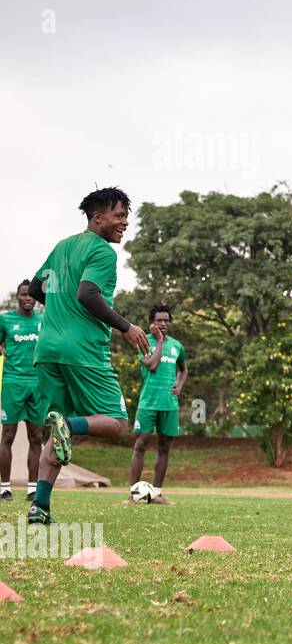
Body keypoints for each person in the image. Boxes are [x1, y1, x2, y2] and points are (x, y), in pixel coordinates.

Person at [24, 187, 149, 524]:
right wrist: (126, 326)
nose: (124, 223)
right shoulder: (103, 253)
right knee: (115, 421)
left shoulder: (63, 246)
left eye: (126, 216)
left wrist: (60, 311)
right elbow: (88, 294)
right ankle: (70, 424)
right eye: (118, 216)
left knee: (55, 434)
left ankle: (40, 507)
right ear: (98, 217)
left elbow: (36, 289)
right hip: (83, 351)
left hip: (47, 349)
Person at [129, 304, 187, 494]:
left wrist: (179, 385)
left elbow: (183, 369)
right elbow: (152, 365)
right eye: (159, 320)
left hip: (169, 404)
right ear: (151, 323)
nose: (163, 324)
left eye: (166, 321)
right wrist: (160, 341)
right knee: (140, 445)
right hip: (148, 402)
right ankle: (133, 493)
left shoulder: (177, 345)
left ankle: (158, 492)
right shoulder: (144, 342)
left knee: (164, 448)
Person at [0, 280, 45, 501]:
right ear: (17, 296)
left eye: (31, 296)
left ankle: (33, 488)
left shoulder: (43, 320)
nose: (28, 298)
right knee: (7, 435)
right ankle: (5, 488)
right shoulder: (5, 319)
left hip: (38, 384)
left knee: (36, 437)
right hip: (12, 382)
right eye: (24, 295)